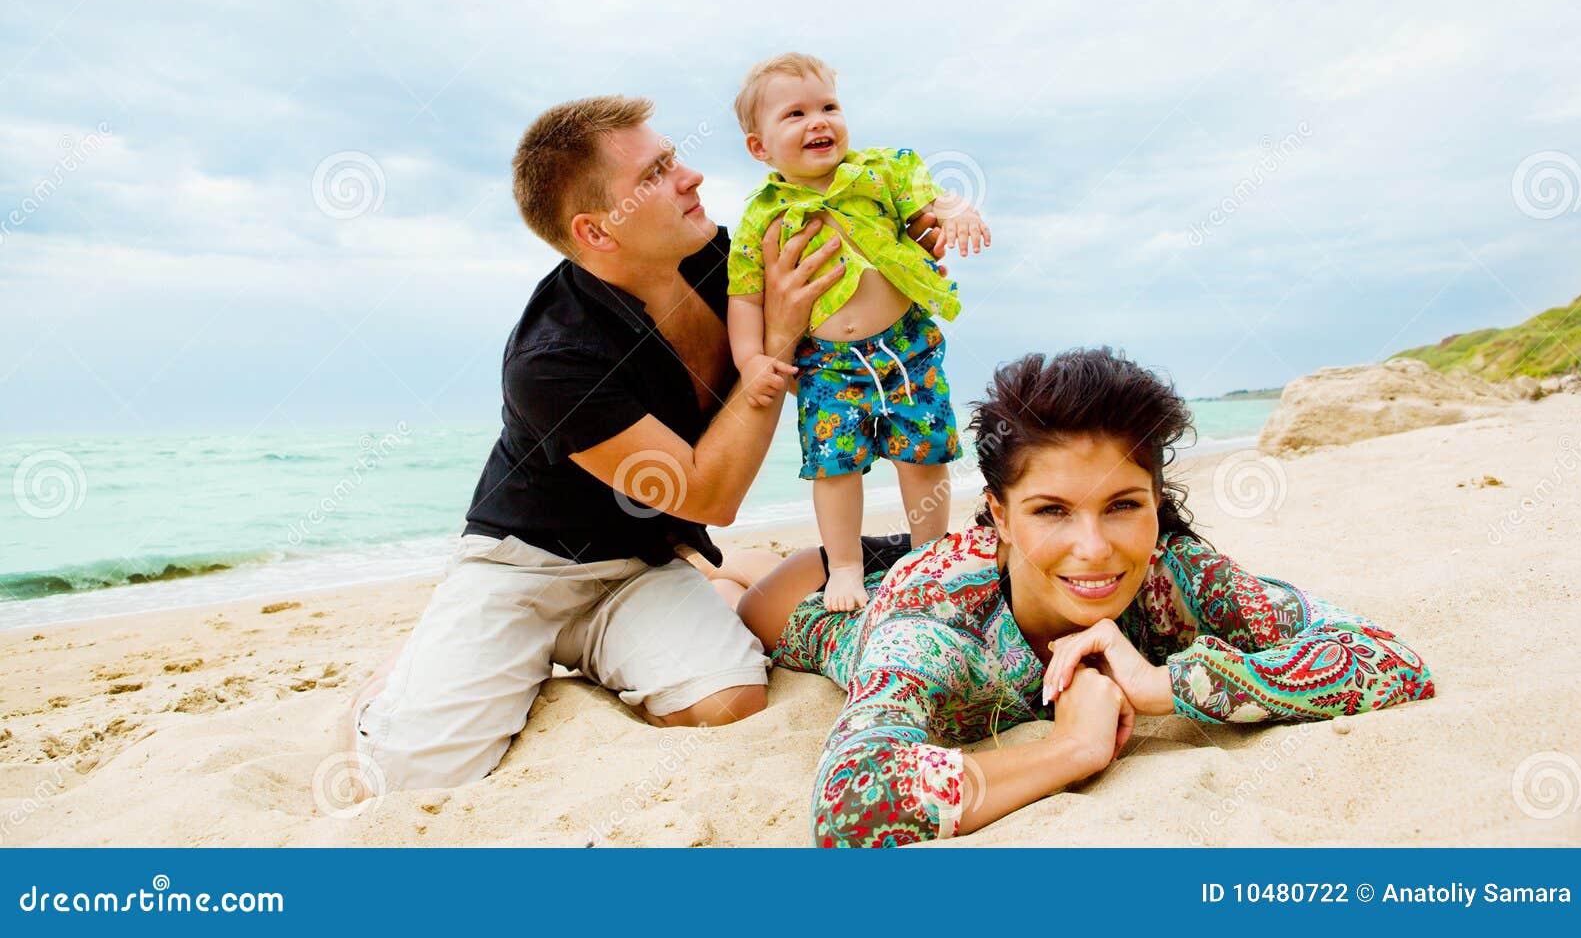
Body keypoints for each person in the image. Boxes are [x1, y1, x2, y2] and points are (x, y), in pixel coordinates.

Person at [346, 95, 927, 793]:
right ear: (596, 231)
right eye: (655, 174)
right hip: (524, 571)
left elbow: (853, 346)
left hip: (640, 566)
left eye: (674, 157)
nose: (692, 177)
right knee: (412, 773)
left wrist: (903, 246)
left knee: (730, 700)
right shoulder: (555, 357)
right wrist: (773, 345)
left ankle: (685, 596)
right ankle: (392, 683)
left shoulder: (723, 261)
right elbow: (711, 493)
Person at [737, 348, 1437, 846]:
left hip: (982, 563)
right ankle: (729, 562)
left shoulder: (1176, 570)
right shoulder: (935, 628)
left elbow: (1390, 661)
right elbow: (852, 807)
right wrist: (1071, 748)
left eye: (1124, 505)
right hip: (846, 605)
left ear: (1158, 503)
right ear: (1000, 514)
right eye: (1052, 509)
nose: (1097, 547)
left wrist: (1168, 685)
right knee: (745, 605)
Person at [726, 52, 991, 614]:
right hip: (827, 362)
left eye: (829, 106)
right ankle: (844, 565)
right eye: (795, 114)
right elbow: (745, 297)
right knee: (834, 465)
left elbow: (928, 203)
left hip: (907, 348)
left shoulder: (880, 171)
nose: (819, 121)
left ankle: (929, 554)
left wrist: (956, 208)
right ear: (760, 148)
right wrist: (751, 359)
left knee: (922, 454)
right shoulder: (760, 215)